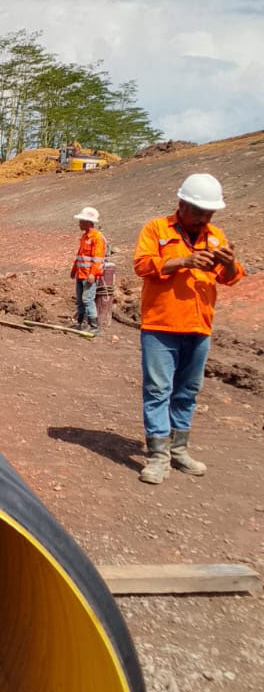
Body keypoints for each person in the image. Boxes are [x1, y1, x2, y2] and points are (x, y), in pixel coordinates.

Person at [133, 173, 243, 484]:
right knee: (157, 390)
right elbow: (142, 265)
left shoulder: (216, 236)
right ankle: (158, 455)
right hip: (161, 325)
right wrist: (186, 261)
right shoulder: (156, 229)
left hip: (199, 326)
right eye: (199, 212)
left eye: (209, 213)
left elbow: (231, 277)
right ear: (182, 204)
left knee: (188, 392)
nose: (204, 219)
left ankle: (179, 449)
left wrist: (230, 262)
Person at [71, 206, 107, 335]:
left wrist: (93, 273)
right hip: (81, 273)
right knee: (81, 300)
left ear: (88, 222)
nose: (79, 224)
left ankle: (94, 325)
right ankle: (81, 323)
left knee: (87, 299)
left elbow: (98, 259)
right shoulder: (85, 237)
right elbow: (80, 255)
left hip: (88, 275)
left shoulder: (97, 238)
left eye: (81, 221)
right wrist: (74, 269)